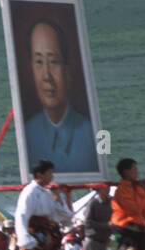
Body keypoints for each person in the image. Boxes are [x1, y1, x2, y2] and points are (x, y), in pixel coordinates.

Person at [21, 20, 98, 173]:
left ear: (67, 70)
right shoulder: (27, 134)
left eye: (53, 61)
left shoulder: (91, 132)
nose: (46, 76)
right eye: (38, 62)